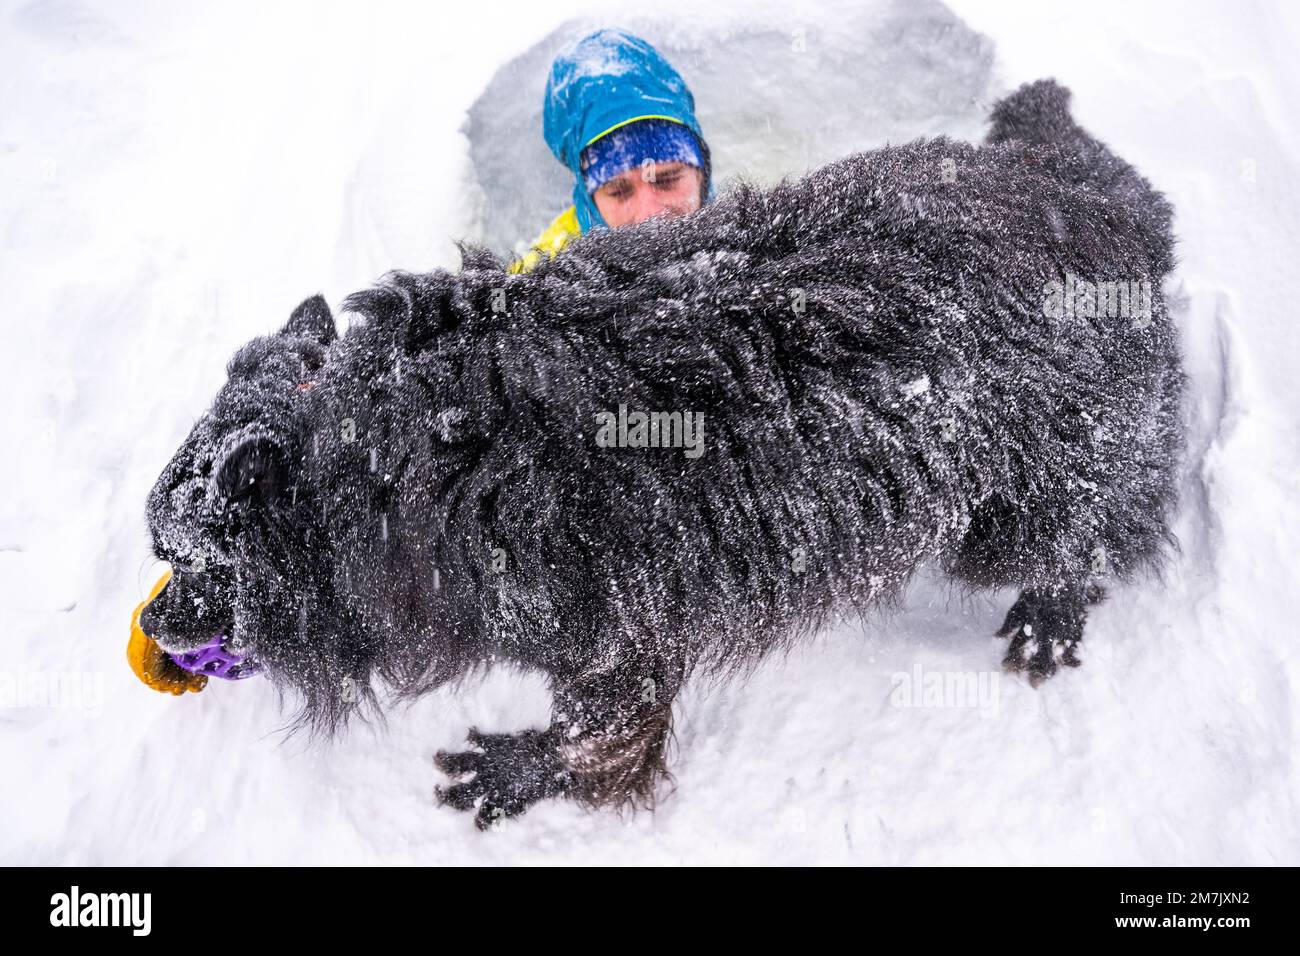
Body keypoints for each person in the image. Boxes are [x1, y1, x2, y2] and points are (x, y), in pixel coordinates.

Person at [508, 29, 715, 274]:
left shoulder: (757, 240)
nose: (651, 216)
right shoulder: (536, 282)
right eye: (619, 191)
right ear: (589, 197)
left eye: (667, 180)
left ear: (702, 173)